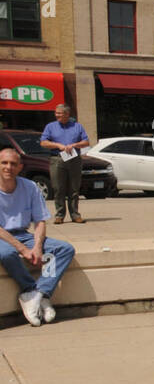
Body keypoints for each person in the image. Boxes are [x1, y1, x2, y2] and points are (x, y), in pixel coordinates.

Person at [0, 147, 75, 326]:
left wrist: (37, 247)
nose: (8, 167)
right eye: (4, 163)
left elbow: (40, 221)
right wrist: (23, 249)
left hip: (22, 234)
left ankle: (41, 293)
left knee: (63, 249)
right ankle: (29, 290)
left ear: (20, 167)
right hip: (2, 236)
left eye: (13, 164)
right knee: (7, 254)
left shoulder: (30, 187)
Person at [39, 103, 90, 224]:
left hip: (74, 159)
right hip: (57, 159)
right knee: (58, 188)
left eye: (60, 113)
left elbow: (86, 142)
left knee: (74, 188)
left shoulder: (77, 126)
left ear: (67, 114)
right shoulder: (50, 126)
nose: (57, 115)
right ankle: (59, 215)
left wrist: (74, 145)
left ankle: (75, 215)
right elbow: (43, 142)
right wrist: (57, 145)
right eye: (56, 113)